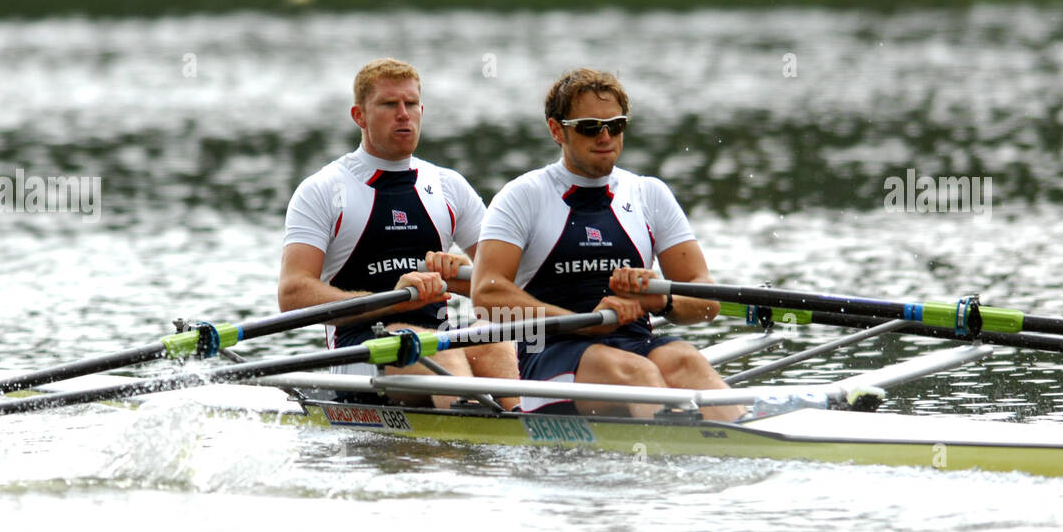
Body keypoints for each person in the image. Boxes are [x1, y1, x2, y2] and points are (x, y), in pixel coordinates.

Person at [472, 67, 742, 421]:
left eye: (615, 125)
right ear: (557, 130)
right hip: (552, 356)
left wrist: (659, 299)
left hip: (634, 342)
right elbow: (486, 295)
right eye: (589, 127)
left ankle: (756, 446)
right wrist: (582, 323)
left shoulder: (650, 194)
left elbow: (706, 299)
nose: (604, 136)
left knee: (686, 360)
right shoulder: (522, 196)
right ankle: (679, 455)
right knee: (636, 373)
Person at [278, 58, 518, 407]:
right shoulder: (324, 190)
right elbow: (292, 294)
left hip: (435, 338)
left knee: (494, 341)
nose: (403, 114)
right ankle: (471, 428)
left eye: (411, 104)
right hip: (359, 349)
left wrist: (453, 277)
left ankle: (523, 432)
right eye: (389, 104)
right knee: (442, 353)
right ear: (359, 116)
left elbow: (501, 286)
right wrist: (393, 294)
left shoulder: (450, 187)